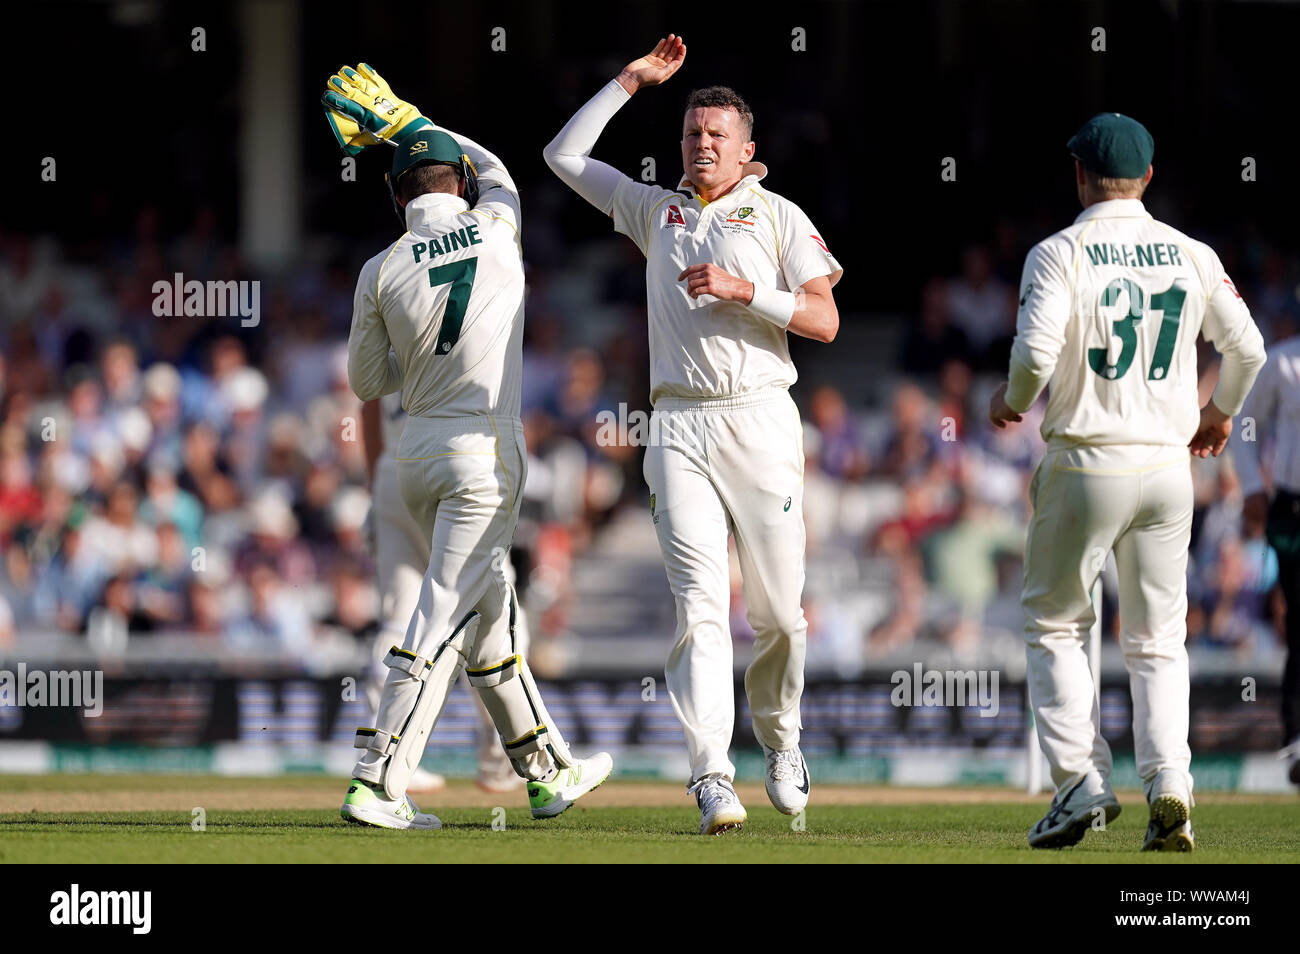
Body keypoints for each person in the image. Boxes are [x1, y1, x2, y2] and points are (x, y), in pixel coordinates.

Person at [543, 36, 843, 835]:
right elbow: (563, 156)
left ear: (749, 152)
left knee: (780, 615)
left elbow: (824, 318)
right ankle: (710, 774)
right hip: (676, 422)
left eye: (717, 136)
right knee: (700, 608)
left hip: (760, 417)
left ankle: (782, 742)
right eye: (690, 133)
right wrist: (628, 81)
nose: (701, 144)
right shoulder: (656, 210)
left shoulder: (778, 214)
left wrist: (747, 290)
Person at [322, 63, 612, 830]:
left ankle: (545, 771)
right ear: (459, 183)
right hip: (483, 455)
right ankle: (377, 780)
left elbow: (365, 379)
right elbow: (500, 172)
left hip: (412, 457)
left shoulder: (379, 268)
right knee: (441, 620)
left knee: (493, 625)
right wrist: (407, 118)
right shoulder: (496, 230)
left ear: (397, 197)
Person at [989, 113, 1266, 850]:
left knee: (1055, 624)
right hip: (1168, 469)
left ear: (1079, 176)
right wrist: (1218, 414)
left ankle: (1080, 781)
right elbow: (1250, 350)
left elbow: (1034, 357)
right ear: (1147, 179)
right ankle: (1170, 783)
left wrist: (1009, 404)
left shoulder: (1059, 251)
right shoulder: (1191, 253)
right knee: (1157, 641)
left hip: (1086, 459)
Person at [361, 393, 525, 794]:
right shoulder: (478, 327)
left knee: (399, 616)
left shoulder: (390, 326)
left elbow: (367, 403)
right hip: (458, 462)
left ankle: (382, 755)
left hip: (396, 467)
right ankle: (504, 756)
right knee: (495, 611)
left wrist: (378, 481)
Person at [1232, 324, 1300, 787]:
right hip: (1294, 510)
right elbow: (1244, 423)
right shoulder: (1285, 361)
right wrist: (1253, 486)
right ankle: (1297, 738)